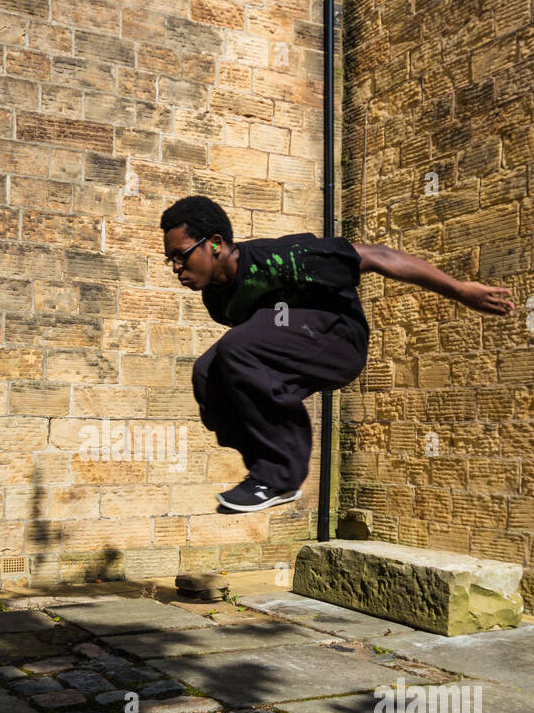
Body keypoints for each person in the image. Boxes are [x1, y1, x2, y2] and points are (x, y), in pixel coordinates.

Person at [160, 195, 515, 512]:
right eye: (170, 259)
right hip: (301, 346)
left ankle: (280, 474)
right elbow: (262, 352)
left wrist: (459, 290)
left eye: (182, 255)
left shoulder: (280, 258)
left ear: (216, 244)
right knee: (207, 373)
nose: (176, 268)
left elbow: (378, 254)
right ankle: (265, 477)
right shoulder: (216, 299)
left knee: (237, 347)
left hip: (341, 339)